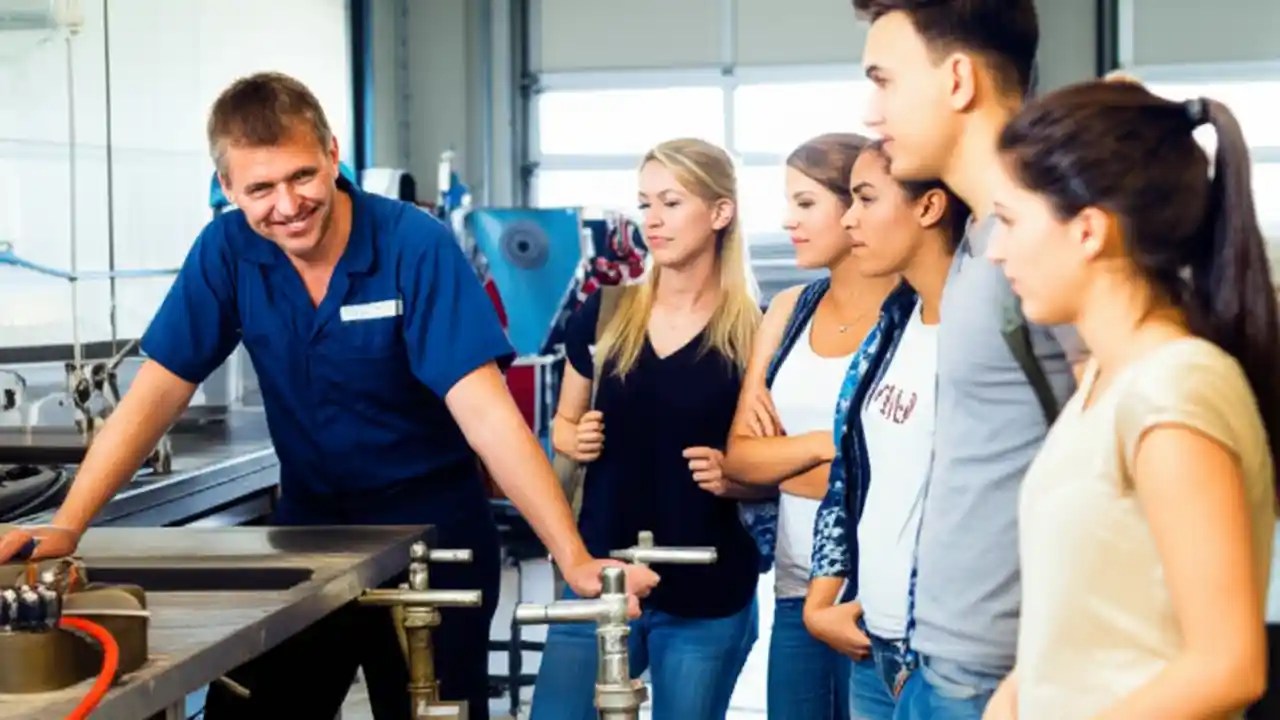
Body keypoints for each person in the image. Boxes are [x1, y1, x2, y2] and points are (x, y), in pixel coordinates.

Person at [0, 72, 657, 720]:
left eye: (302, 176)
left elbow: (488, 416)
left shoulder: (410, 245)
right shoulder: (227, 252)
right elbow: (156, 395)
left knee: (432, 710)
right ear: (227, 188)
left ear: (333, 153)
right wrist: (68, 524)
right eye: (260, 188)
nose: (286, 205)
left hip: (433, 533)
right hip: (309, 538)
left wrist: (570, 558)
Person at [982, 80, 1278, 720]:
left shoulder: (1175, 386)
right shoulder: (1102, 380)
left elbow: (1228, 665)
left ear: (1088, 231)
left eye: (1007, 220)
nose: (994, 249)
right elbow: (1076, 627)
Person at [851, 2, 1085, 717]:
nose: (871, 111)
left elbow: (1124, 450)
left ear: (957, 80)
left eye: (884, 81)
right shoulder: (988, 236)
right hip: (946, 657)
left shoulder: (1047, 235)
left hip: (1003, 675)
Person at [531, 137, 761, 720]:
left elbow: (769, 466)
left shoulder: (754, 333)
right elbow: (561, 425)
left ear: (719, 213)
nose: (652, 221)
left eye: (671, 203)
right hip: (600, 576)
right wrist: (570, 437)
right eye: (645, 204)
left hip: (708, 591)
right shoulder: (606, 312)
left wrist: (739, 478)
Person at [717, 132, 895, 720]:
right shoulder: (790, 310)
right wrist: (833, 444)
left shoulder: (912, 314)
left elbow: (901, 471)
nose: (787, 221)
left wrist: (788, 457)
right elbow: (740, 460)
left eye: (805, 203)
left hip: (875, 597)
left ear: (858, 206)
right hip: (796, 590)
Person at [802, 139, 966, 720]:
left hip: (947, 657)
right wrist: (822, 602)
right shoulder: (893, 325)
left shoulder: (981, 342)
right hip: (874, 645)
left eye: (865, 199)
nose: (849, 219)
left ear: (929, 208)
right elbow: (851, 475)